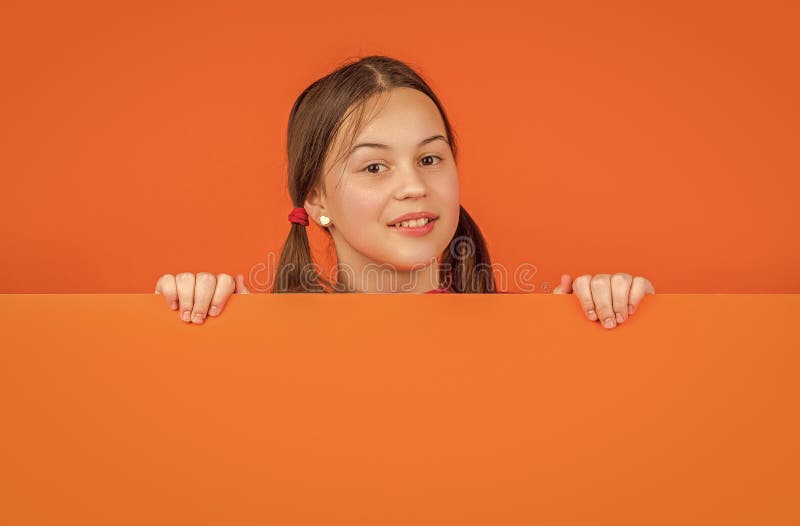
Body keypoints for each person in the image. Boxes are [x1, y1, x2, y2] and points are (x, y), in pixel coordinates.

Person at [154, 55, 655, 329]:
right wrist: (193, 315)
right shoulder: (258, 335)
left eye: (430, 159)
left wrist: (616, 314)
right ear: (315, 199)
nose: (414, 185)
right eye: (374, 166)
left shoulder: (533, 333)